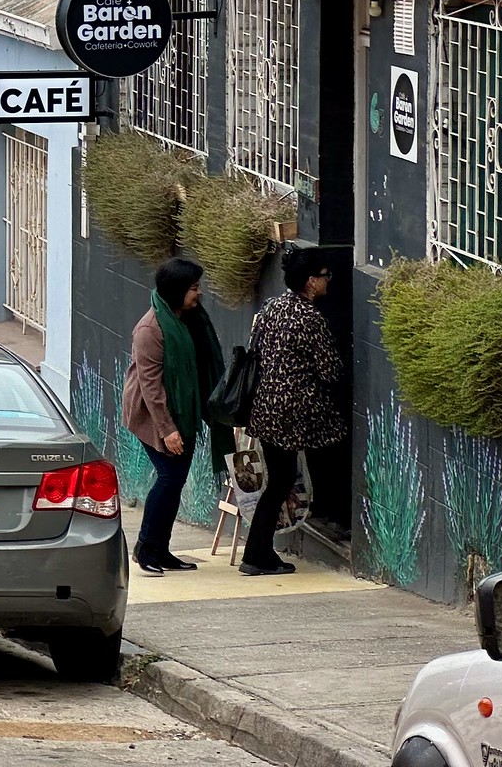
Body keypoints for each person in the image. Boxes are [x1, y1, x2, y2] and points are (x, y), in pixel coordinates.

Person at [242, 246, 346, 576]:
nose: (329, 281)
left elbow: (255, 350)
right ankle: (257, 554)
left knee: (280, 478)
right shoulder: (311, 319)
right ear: (312, 282)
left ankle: (257, 552)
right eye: (325, 276)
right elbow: (331, 370)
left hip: (265, 408)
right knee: (281, 482)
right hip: (293, 413)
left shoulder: (272, 307)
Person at [122, 256, 228, 577]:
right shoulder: (149, 330)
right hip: (154, 416)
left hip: (186, 411)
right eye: (194, 288)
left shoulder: (190, 319)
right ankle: (145, 547)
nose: (199, 294)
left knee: (176, 480)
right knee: (169, 478)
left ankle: (162, 549)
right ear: (176, 290)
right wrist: (167, 430)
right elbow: (151, 387)